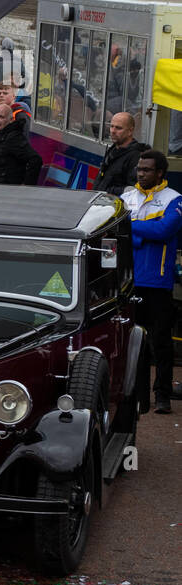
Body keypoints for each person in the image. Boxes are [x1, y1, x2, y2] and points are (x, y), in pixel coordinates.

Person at [121, 151, 182, 414]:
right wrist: (142, 231)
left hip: (158, 282)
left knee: (161, 342)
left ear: (160, 173)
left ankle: (163, 395)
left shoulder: (174, 199)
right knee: (131, 341)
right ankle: (135, 394)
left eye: (147, 170)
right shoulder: (126, 197)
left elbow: (164, 231)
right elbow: (116, 229)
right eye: (139, 169)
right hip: (129, 281)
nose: (141, 173)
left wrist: (132, 226)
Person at [0, 103, 41, 185]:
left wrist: (27, 186)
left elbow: (35, 159)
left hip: (6, 191)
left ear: (11, 120)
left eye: (1, 117)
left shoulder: (13, 138)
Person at [92, 112, 149, 197]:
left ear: (130, 131)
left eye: (118, 128)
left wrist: (106, 191)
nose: (113, 131)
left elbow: (134, 190)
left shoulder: (136, 156)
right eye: (111, 126)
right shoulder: (113, 149)